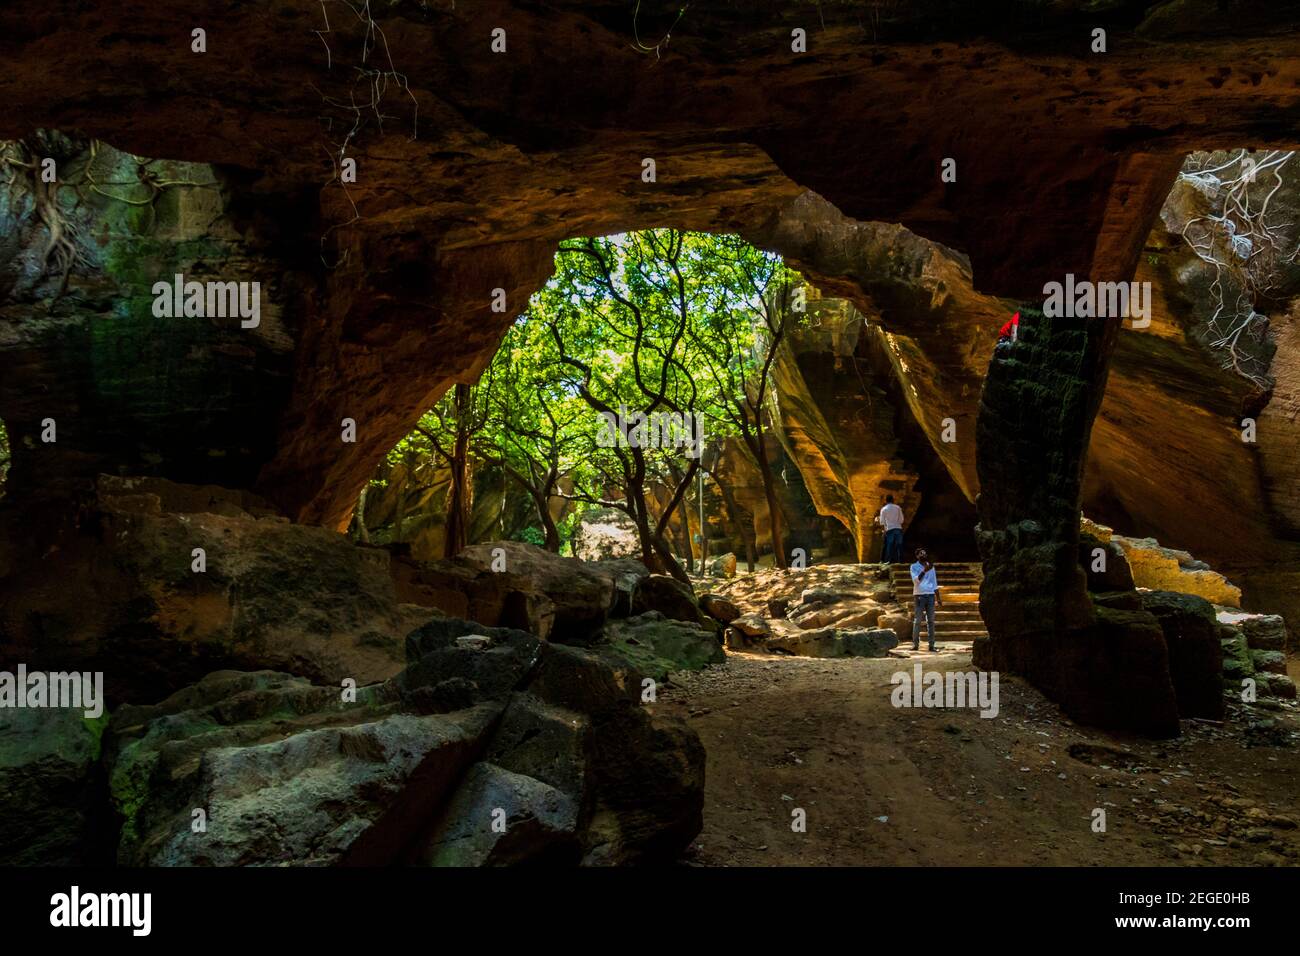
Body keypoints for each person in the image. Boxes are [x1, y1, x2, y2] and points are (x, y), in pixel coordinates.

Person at [909, 547, 940, 652]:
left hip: (931, 595)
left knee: (931, 621)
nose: (923, 555)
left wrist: (938, 597)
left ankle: (931, 645)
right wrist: (924, 570)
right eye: (921, 554)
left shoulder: (931, 567)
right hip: (919, 595)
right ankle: (915, 645)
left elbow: (935, 582)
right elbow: (916, 581)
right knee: (917, 621)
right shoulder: (913, 567)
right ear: (917, 556)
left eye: (924, 553)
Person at [877, 495, 904, 564]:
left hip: (889, 528)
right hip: (898, 528)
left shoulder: (884, 509)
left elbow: (882, 522)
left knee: (890, 545)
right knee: (899, 545)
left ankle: (889, 561)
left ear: (885, 501)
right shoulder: (898, 508)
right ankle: (901, 561)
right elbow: (901, 520)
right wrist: (897, 523)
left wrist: (884, 530)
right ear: (893, 500)